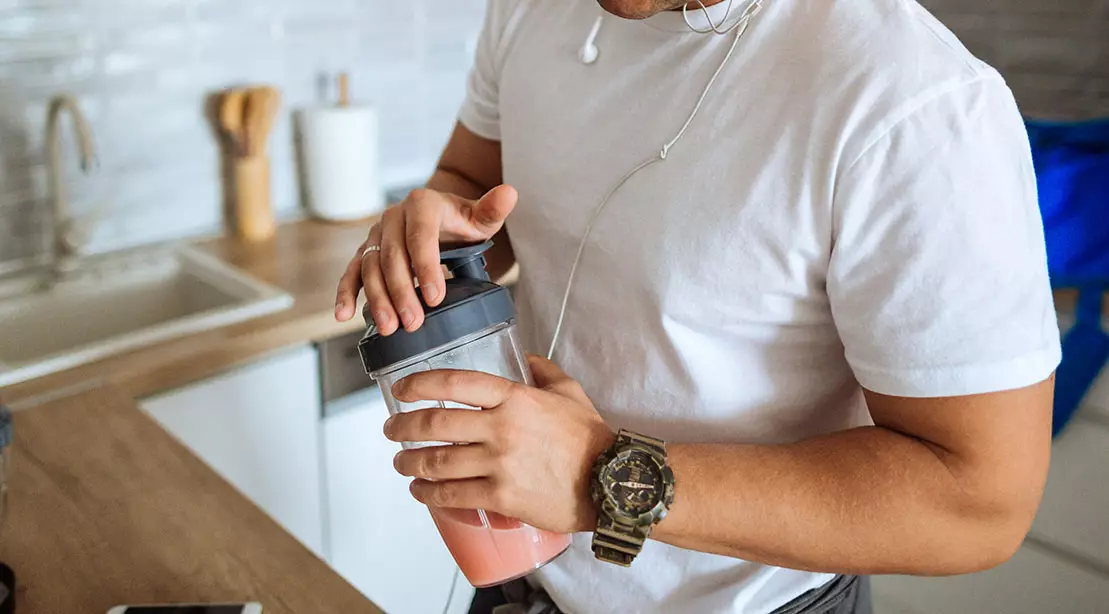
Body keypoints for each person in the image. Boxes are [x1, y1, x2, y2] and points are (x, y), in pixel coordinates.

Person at [334, 0, 1061, 612]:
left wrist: (601, 476)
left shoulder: (914, 101)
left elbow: (976, 503)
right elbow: (470, 180)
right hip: (523, 574)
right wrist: (428, 238)